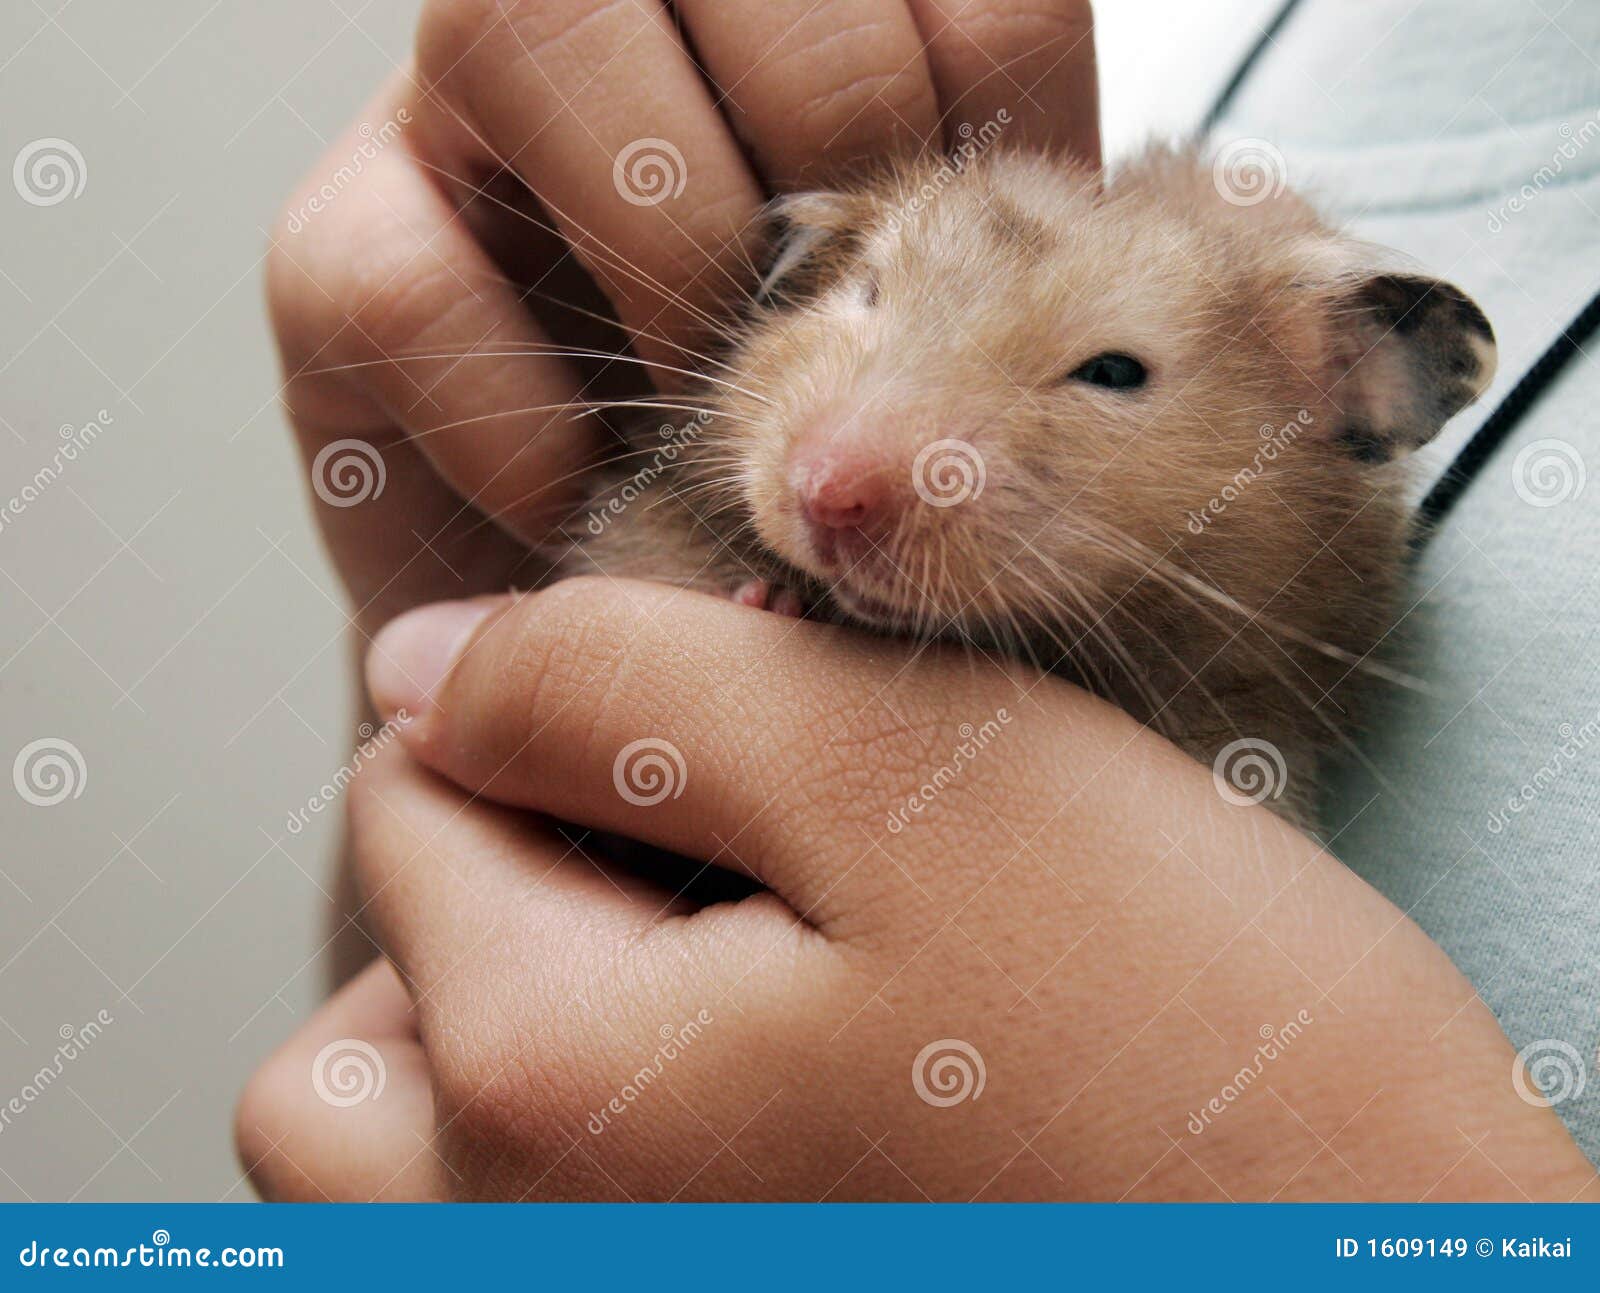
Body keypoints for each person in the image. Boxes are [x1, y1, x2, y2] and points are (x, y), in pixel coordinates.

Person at [236, 0, 1600, 1200]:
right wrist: (476, 632)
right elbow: (489, 1093)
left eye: (1108, 374)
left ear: (1359, 397)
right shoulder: (1102, 48)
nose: (841, 483)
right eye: (866, 298)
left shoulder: (1288, 457)